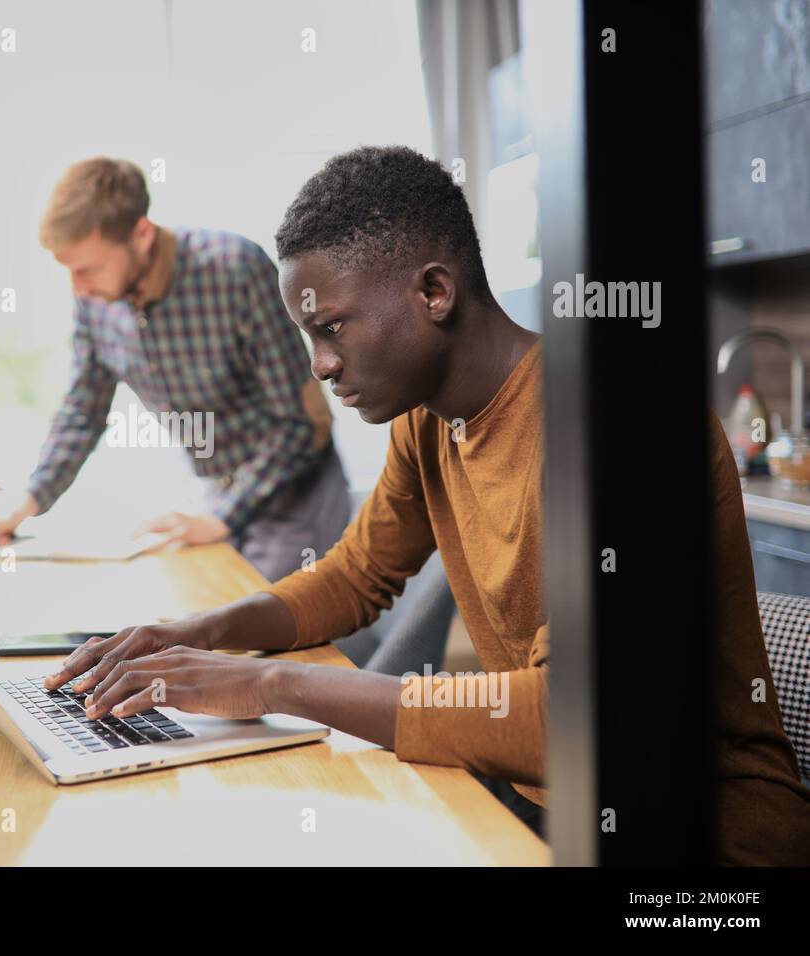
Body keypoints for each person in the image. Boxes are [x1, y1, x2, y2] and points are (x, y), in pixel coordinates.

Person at [42, 145, 810, 865]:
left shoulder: (620, 422)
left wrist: (275, 684)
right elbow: (353, 577)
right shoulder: (426, 418)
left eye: (331, 328)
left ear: (434, 292)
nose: (321, 365)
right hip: (543, 800)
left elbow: (575, 716)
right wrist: (191, 634)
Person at [0, 158, 349, 582]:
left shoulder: (234, 270)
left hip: (294, 498)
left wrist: (221, 517)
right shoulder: (94, 300)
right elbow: (82, 413)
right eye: (69, 271)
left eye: (87, 269)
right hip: (217, 495)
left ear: (142, 234)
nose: (78, 287)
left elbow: (300, 423)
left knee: (285, 633)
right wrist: (28, 500)